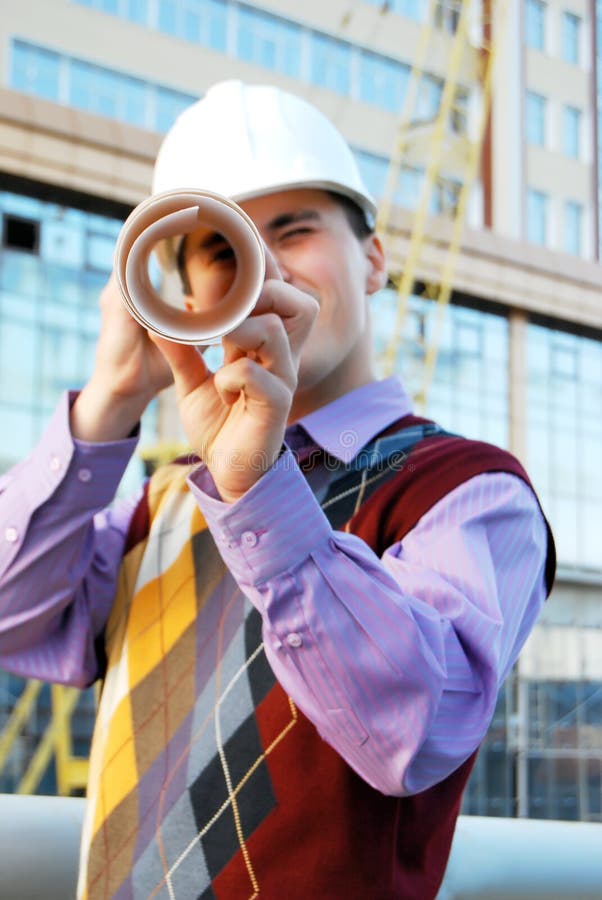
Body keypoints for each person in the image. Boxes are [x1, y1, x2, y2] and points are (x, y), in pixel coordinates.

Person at [0, 80, 554, 899]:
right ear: (185, 302)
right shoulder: (162, 505)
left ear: (372, 258)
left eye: (292, 232)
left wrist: (259, 490)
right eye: (224, 252)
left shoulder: (470, 491)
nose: (260, 274)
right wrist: (110, 401)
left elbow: (414, 733)